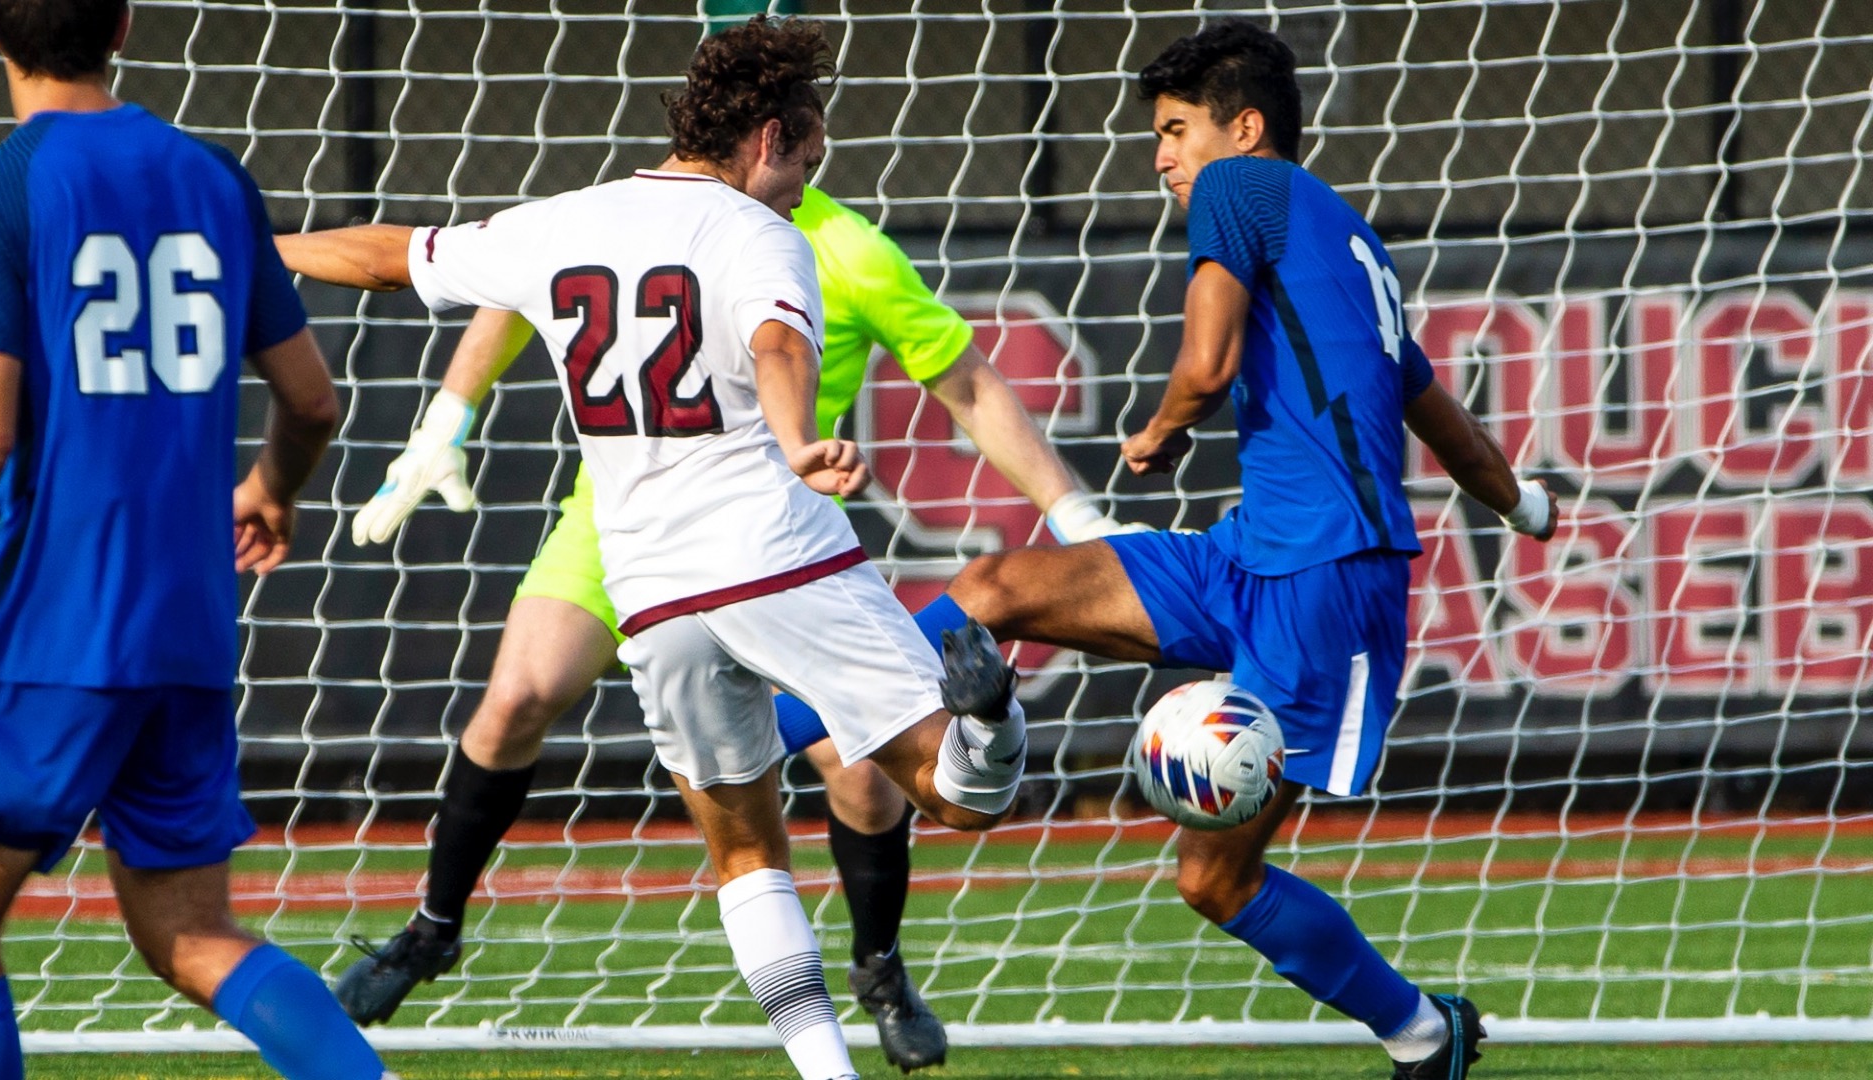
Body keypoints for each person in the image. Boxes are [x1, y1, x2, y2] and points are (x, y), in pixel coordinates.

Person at [771, 20, 1561, 1080]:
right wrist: (1525, 508)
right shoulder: (1353, 239)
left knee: (1213, 881)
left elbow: (1207, 356)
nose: (1161, 155)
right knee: (994, 587)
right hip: (1248, 554)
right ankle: (791, 711)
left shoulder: (1243, 190)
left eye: (1175, 129)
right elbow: (1435, 410)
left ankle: (1425, 1034)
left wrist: (1162, 427)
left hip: (1326, 578)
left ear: (1245, 128)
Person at [275, 19, 1033, 1080]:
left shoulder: (562, 219)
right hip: (775, 557)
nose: (808, 183)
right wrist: (795, 440)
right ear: (770, 137)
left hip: (649, 595)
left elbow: (390, 256)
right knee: (966, 794)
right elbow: (775, 346)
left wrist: (252, 248)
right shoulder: (762, 234)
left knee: (743, 851)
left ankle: (828, 1070)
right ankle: (993, 712)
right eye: (809, 159)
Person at [0, 2, 396, 1078]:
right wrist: (272, 490)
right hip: (188, 628)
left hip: (53, 627)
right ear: (123, 24)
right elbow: (314, 400)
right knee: (189, 933)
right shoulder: (213, 176)